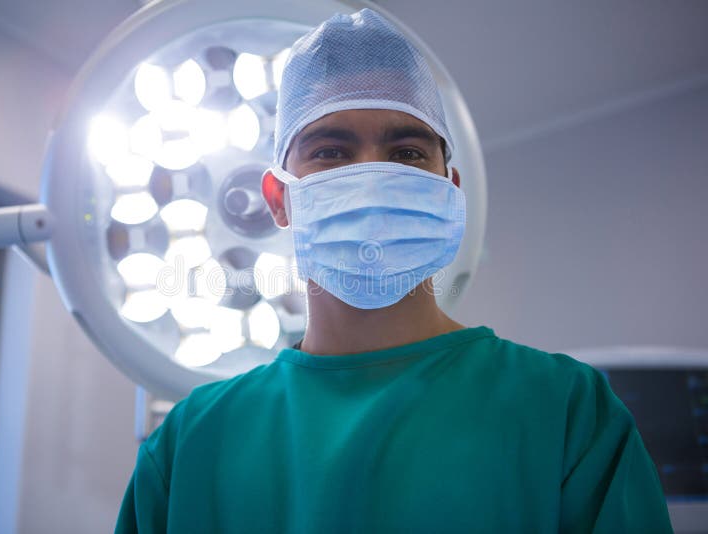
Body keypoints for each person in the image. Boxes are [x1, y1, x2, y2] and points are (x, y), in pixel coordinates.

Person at [116, 8, 672, 533]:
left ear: (448, 190)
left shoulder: (566, 412)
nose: (373, 177)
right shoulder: (189, 446)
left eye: (406, 152)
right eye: (331, 151)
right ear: (279, 200)